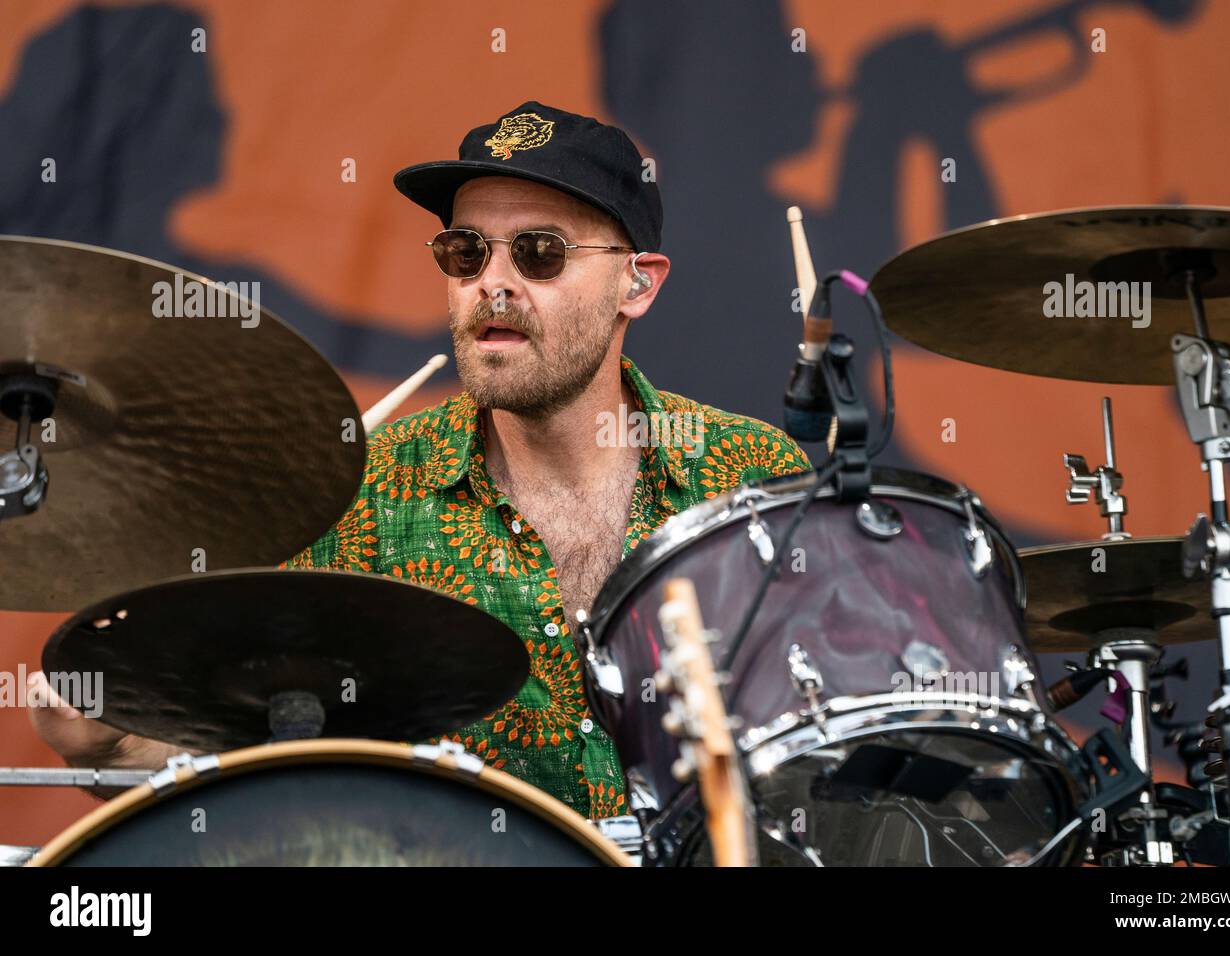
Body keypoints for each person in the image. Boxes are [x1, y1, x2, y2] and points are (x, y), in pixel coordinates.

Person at [30, 101, 811, 819]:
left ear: (636, 284)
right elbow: (244, 735)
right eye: (465, 253)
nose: (492, 284)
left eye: (539, 253)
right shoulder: (360, 490)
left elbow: (840, 738)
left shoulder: (748, 473)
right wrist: (111, 741)